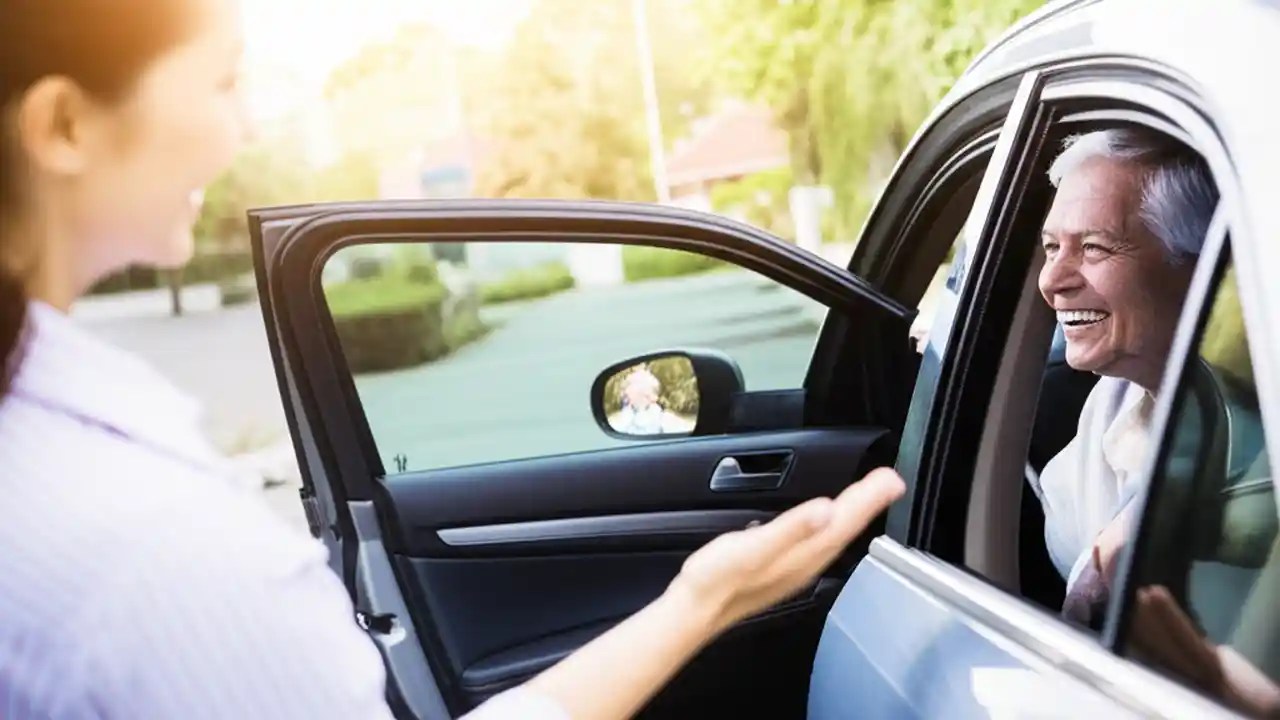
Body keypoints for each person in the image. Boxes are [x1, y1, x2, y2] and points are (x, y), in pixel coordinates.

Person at [0, 2, 906, 718]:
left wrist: (698, 603)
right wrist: (700, 605)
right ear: (64, 125)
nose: (241, 129)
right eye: (223, 82)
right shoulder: (151, 558)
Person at [1032, 128, 1218, 619]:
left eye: (1093, 248)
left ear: (1198, 265)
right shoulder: (1112, 400)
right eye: (1051, 248)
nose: (1051, 281)